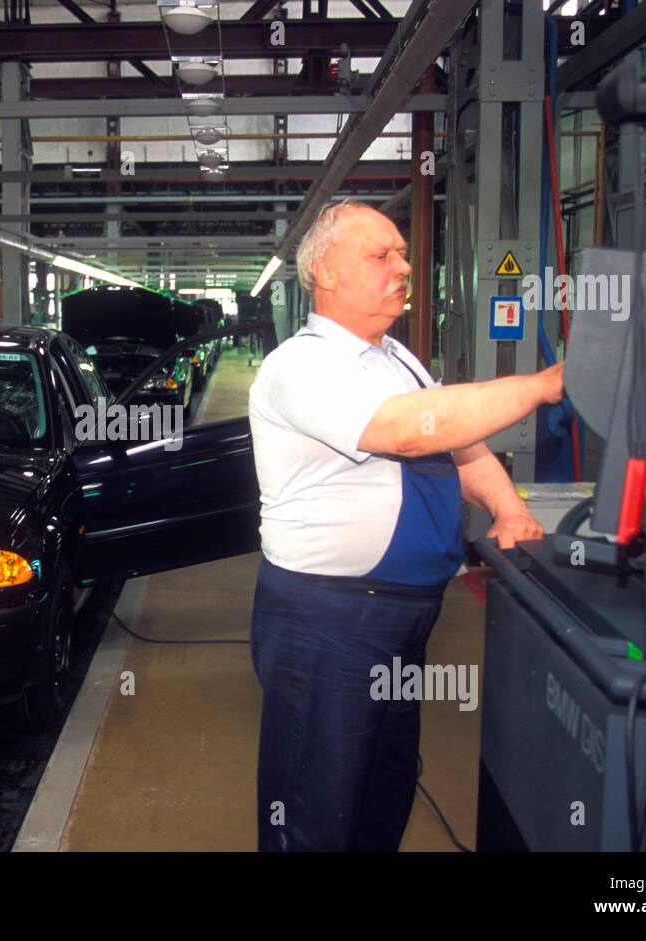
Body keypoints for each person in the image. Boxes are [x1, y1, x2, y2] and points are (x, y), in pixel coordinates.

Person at [247, 198, 566, 851]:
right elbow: (409, 432)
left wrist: (508, 508)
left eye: (402, 253)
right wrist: (542, 385)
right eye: (381, 255)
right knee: (316, 802)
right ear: (326, 272)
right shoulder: (302, 365)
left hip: (403, 617)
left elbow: (461, 446)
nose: (403, 267)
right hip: (326, 622)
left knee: (382, 784)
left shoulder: (395, 358)